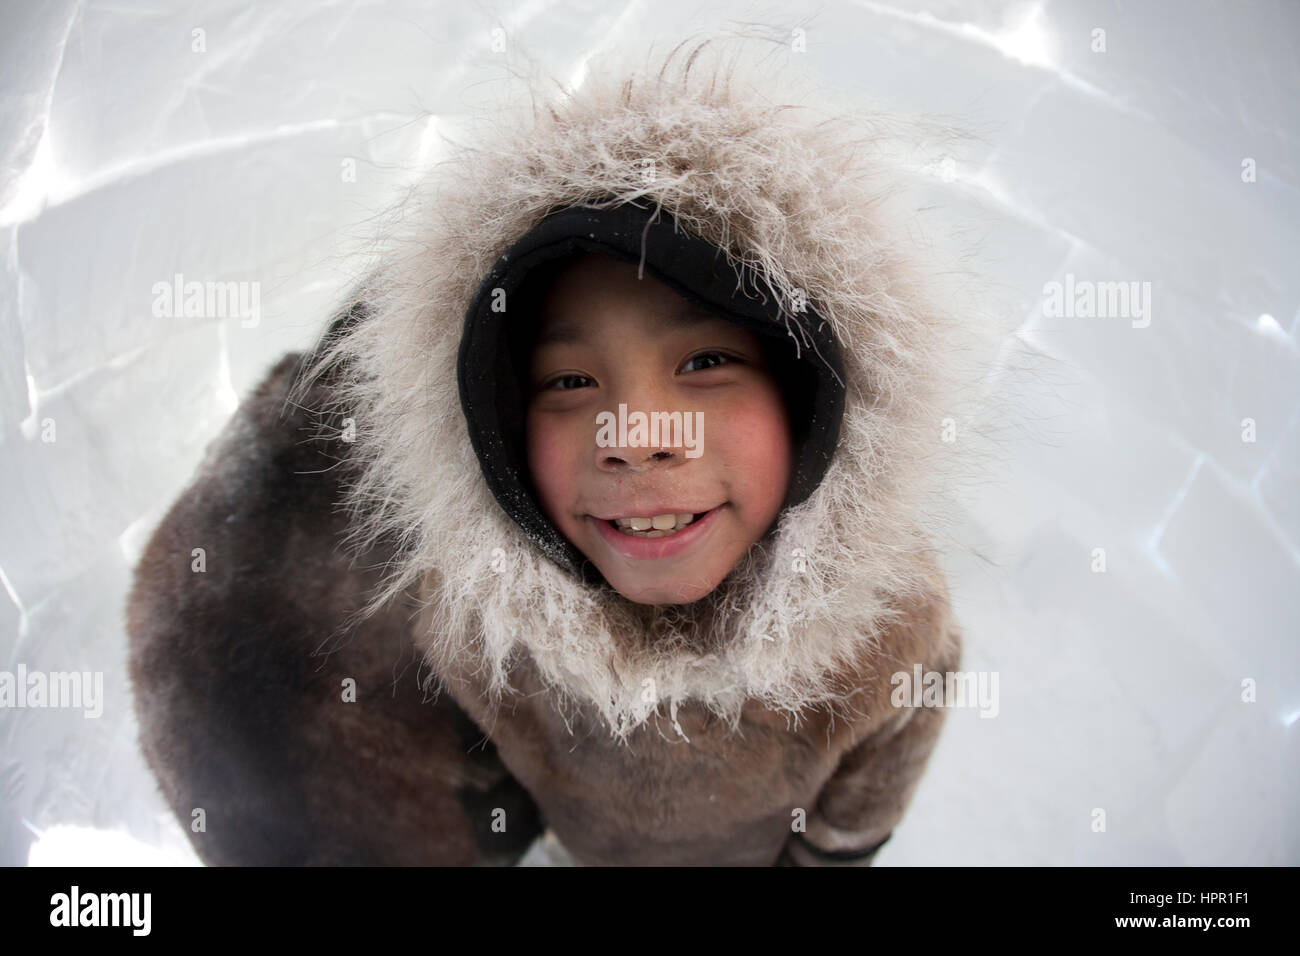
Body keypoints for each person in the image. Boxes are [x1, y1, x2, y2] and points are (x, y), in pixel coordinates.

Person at [128, 34, 971, 866]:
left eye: (707, 362)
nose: (636, 440)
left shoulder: (896, 627)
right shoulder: (480, 626)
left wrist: (827, 860)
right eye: (567, 382)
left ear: (815, 392)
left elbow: (869, 796)